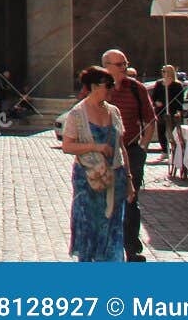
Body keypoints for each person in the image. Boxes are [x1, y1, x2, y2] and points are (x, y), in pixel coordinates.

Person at [60, 65, 131, 262]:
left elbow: (121, 147)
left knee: (112, 227)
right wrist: (95, 147)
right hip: (88, 179)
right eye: (107, 85)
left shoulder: (114, 112)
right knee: (88, 225)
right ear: (93, 86)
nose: (111, 90)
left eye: (112, 85)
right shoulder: (77, 113)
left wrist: (129, 179)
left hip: (114, 178)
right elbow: (67, 146)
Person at [100, 47, 155, 261]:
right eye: (120, 64)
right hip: (103, 153)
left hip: (131, 151)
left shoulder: (136, 88)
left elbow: (150, 119)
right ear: (107, 67)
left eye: (125, 63)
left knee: (130, 199)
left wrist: (143, 146)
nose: (125, 68)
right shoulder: (97, 89)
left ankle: (131, 248)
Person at [151, 65, 186, 162]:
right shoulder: (159, 83)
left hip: (173, 111)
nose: (163, 72)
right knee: (161, 132)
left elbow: (180, 100)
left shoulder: (177, 85)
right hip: (161, 111)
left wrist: (179, 111)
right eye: (162, 71)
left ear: (170, 72)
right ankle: (165, 151)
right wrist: (156, 102)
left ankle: (176, 151)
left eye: (165, 71)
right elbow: (153, 98)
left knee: (174, 133)